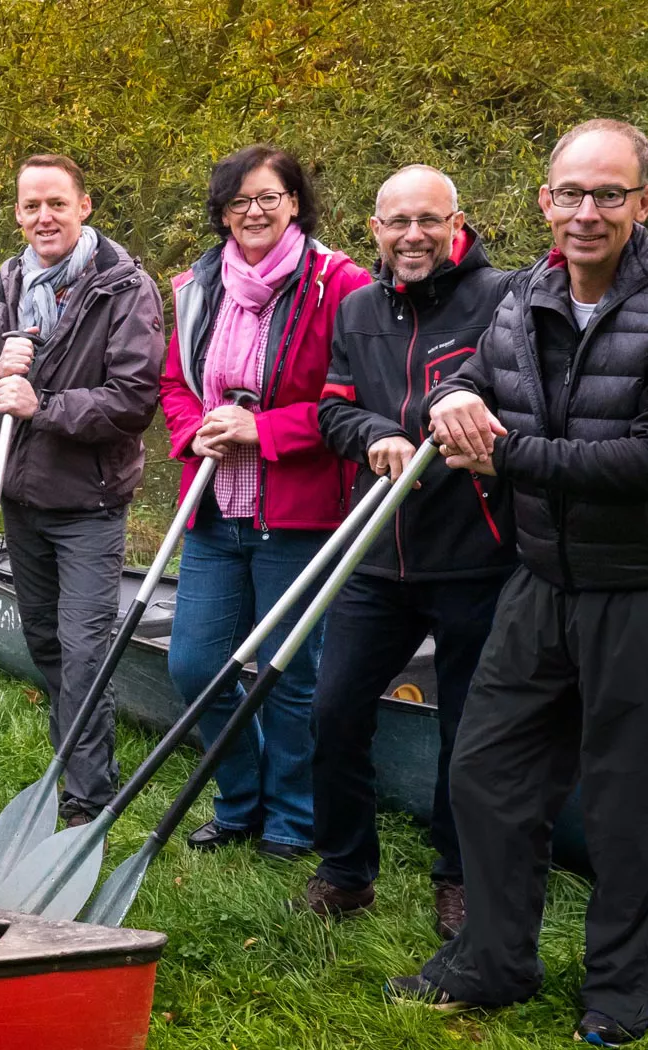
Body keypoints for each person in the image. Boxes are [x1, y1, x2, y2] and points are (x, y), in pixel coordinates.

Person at [386, 121, 648, 1047]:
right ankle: (493, 961)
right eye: (570, 194)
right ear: (544, 201)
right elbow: (469, 371)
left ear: (641, 205)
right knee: (486, 771)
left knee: (635, 800)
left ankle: (620, 992)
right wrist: (453, 394)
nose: (586, 213)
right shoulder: (522, 294)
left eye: (607, 195)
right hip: (540, 582)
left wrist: (505, 457)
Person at [310, 165, 518, 937]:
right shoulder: (358, 309)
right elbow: (334, 410)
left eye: (428, 219)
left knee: (468, 732)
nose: (412, 235)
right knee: (332, 712)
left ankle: (457, 879)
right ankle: (344, 871)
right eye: (396, 221)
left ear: (455, 221)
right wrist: (375, 437)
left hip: (477, 551)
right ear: (374, 230)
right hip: (377, 552)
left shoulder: (502, 297)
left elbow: (516, 390)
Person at [160, 145, 370, 860]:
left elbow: (355, 402)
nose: (252, 213)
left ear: (294, 204)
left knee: (289, 674)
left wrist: (262, 427)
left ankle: (290, 818)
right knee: (194, 665)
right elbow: (175, 385)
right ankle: (238, 800)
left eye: (268, 198)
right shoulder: (196, 286)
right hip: (216, 507)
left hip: (299, 510)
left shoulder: (340, 285)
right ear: (220, 212)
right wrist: (196, 432)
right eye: (237, 201)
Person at [0, 154, 164, 826]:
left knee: (83, 651)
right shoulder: (9, 282)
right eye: (29, 206)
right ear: (17, 214)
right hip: (19, 497)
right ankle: (69, 756)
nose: (42, 217)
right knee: (45, 643)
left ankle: (86, 798)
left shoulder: (125, 289)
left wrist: (39, 402)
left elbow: (132, 400)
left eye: (55, 203)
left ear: (84, 206)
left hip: (89, 503)